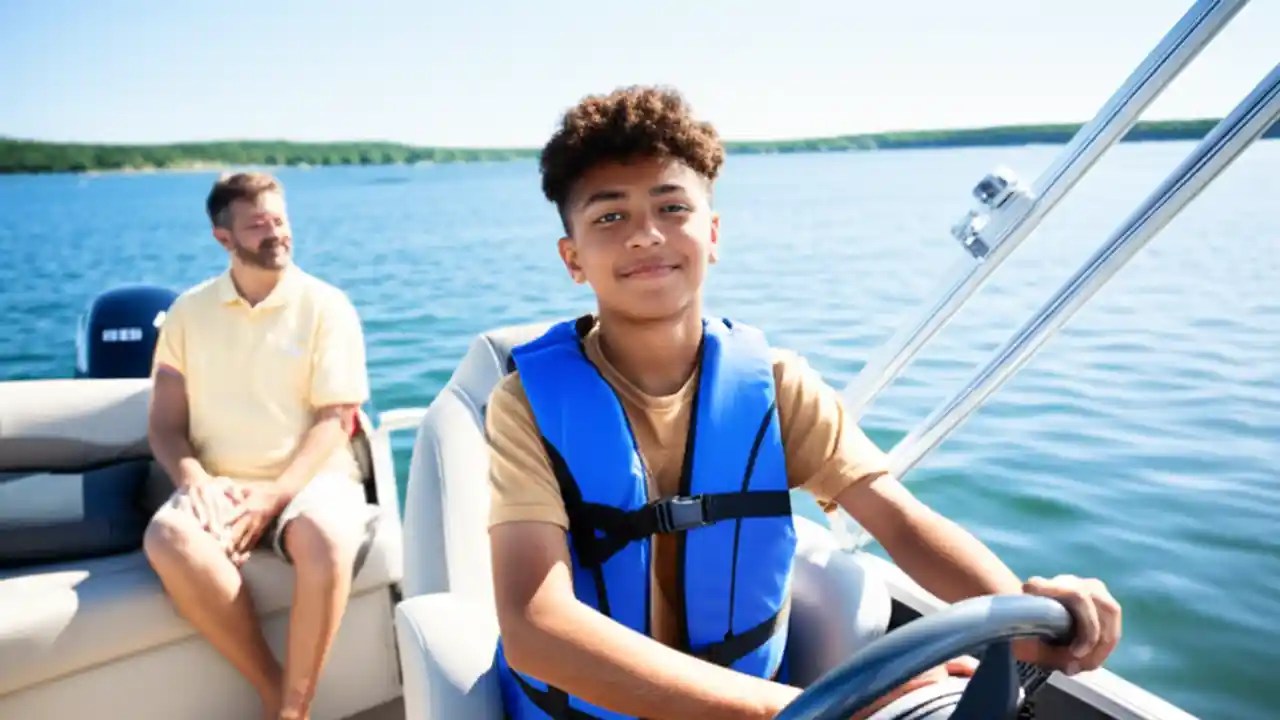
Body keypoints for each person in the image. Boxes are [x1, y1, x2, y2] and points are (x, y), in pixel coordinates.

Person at [485, 86, 1122, 720]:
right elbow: (537, 626)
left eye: (671, 206)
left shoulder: (778, 385)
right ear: (573, 258)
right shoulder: (525, 407)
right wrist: (815, 710)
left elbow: (900, 521)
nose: (647, 235)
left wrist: (1030, 610)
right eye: (609, 217)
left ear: (712, 234)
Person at [143, 172, 374, 720]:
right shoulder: (187, 314)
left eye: (280, 220)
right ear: (224, 238)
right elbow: (165, 427)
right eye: (258, 225)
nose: (276, 234)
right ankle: (276, 693)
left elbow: (334, 419)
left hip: (311, 479)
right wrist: (195, 480)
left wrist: (275, 495)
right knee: (167, 537)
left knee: (323, 539)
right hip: (221, 482)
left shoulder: (327, 306)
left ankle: (292, 708)